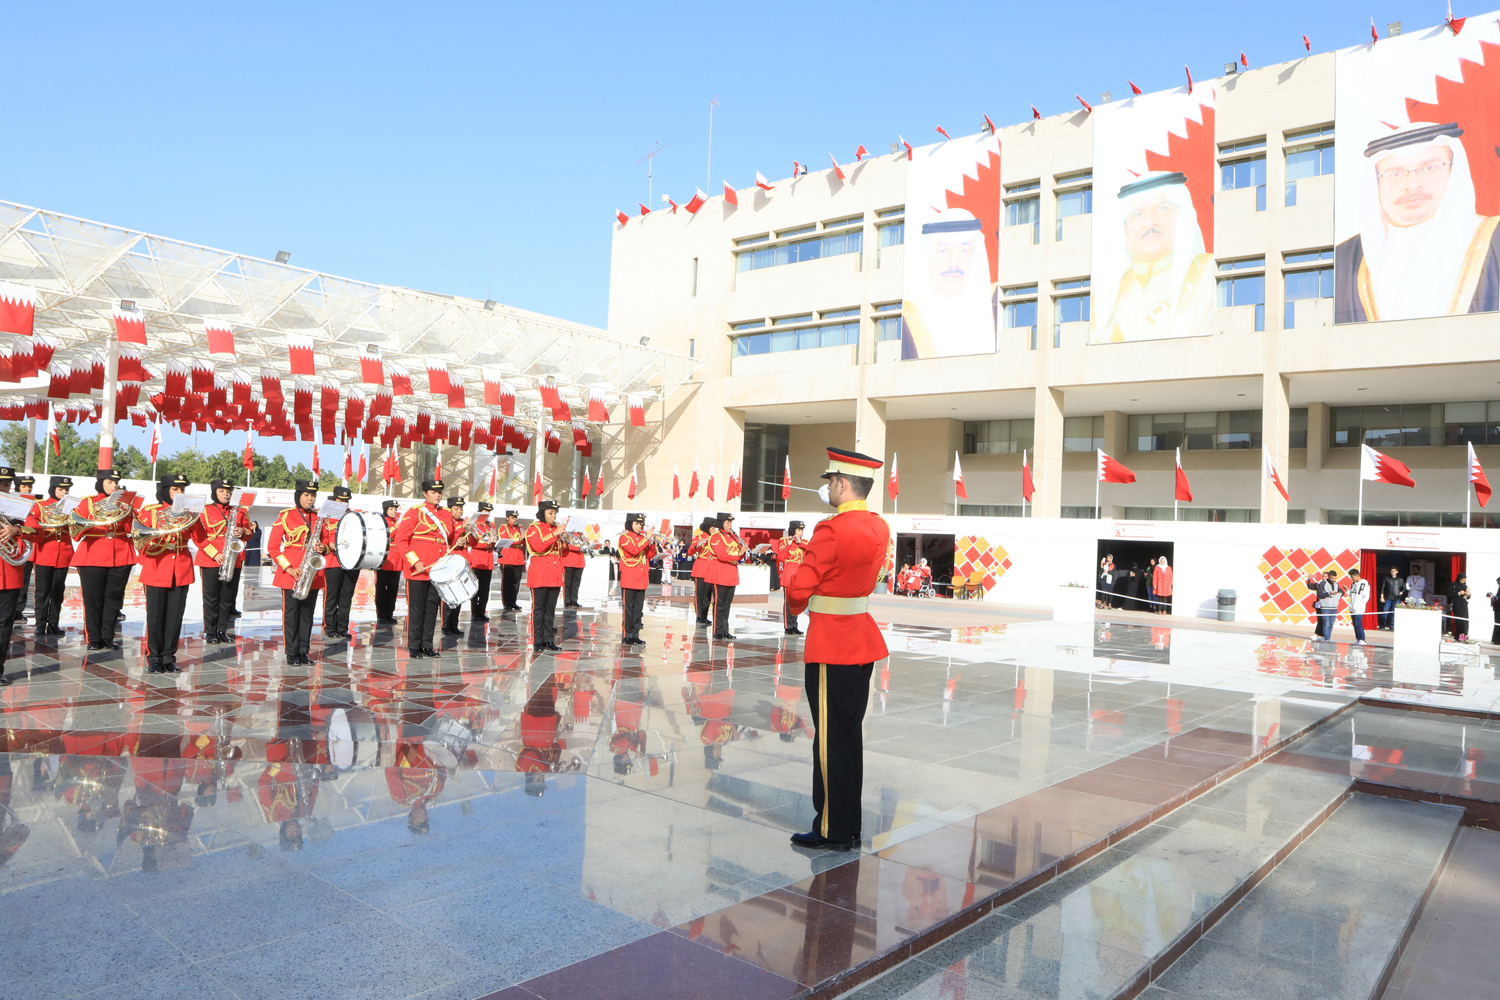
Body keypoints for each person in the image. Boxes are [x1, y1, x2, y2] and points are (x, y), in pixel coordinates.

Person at [786, 447, 891, 851]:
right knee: (849, 734)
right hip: (860, 638)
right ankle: (849, 824)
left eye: (830, 481)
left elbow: (799, 588)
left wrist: (792, 571)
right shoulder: (878, 527)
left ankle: (831, 827)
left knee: (830, 739)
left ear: (842, 484)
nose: (827, 487)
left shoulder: (830, 530)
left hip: (831, 643)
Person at [1335, 122, 1500, 324]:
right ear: (1376, 184)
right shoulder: (1343, 260)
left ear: (1454, 171)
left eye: (1429, 168)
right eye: (1395, 174)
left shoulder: (1496, 239)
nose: (1412, 185)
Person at [1099, 172, 1215, 343]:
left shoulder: (1210, 272)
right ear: (1125, 229)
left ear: (1182, 217)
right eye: (1138, 214)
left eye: (1163, 209)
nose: (1150, 222)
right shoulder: (1106, 290)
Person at [900, 208, 996, 360]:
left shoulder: (993, 308)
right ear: (928, 255)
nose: (954, 262)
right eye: (943, 251)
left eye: (964, 250)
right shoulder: (907, 316)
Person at [135, 475, 206, 674]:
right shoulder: (151, 512)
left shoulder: (188, 513)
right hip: (157, 565)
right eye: (176, 489)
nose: (180, 493)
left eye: (182, 490)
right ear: (165, 490)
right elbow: (140, 538)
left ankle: (169, 657)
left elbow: (200, 538)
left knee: (175, 617)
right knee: (156, 617)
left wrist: (197, 520)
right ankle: (154, 658)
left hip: (181, 568)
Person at [267, 481, 332, 666]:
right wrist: (288, 568)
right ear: (298, 496)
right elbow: (273, 547)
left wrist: (324, 547)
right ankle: (291, 653)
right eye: (306, 495)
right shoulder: (286, 516)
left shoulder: (319, 517)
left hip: (312, 572)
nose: (310, 499)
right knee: (291, 613)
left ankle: (304, 651)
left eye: (313, 495)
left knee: (307, 614)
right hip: (292, 572)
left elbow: (327, 540)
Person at [74, 468, 138, 651]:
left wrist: (129, 509)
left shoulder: (125, 502)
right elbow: (77, 525)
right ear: (101, 483)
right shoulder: (88, 502)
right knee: (93, 599)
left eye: (116, 482)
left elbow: (130, 527)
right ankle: (93, 638)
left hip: (121, 553)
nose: (114, 485)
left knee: (114, 599)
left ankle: (108, 637)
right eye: (110, 482)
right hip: (93, 553)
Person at [392, 478, 456, 659]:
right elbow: (401, 540)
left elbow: (448, 540)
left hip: (437, 570)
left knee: (432, 609)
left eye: (439, 492)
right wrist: (415, 561)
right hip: (418, 569)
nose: (437, 495)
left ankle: (427, 644)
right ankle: (414, 645)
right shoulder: (414, 513)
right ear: (424, 493)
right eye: (433, 492)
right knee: (417, 609)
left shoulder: (446, 514)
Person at [196, 479, 255, 644]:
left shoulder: (240, 511)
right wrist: (214, 554)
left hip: (233, 558)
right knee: (211, 597)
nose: (226, 494)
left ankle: (222, 630)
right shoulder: (205, 510)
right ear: (215, 492)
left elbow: (250, 532)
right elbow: (198, 537)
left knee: (227, 597)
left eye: (228, 491)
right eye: (222, 491)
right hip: (211, 559)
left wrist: (243, 531)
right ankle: (210, 631)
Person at [25, 476, 73, 639]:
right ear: (53, 489)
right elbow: (31, 522)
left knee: (58, 590)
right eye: (60, 489)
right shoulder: (41, 505)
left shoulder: (71, 507)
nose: (64, 492)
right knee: (42, 591)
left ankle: (54, 622)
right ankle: (40, 623)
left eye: (66, 490)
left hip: (63, 552)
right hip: (45, 551)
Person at [525, 500, 570, 653]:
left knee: (550, 610)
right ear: (542, 513)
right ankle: (537, 640)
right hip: (540, 574)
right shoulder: (534, 528)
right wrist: (555, 534)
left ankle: (548, 639)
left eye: (555, 513)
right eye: (550, 513)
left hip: (555, 574)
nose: (553, 516)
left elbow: (563, 553)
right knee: (539, 610)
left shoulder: (554, 529)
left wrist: (564, 541)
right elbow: (538, 547)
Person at [318, 485, 358, 640]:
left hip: (351, 561)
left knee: (346, 596)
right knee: (331, 596)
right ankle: (329, 627)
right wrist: (329, 544)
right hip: (333, 559)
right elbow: (320, 536)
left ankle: (342, 627)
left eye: (346, 501)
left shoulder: (352, 516)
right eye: (341, 500)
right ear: (334, 499)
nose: (344, 503)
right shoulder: (325, 516)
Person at [617, 512, 656, 646]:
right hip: (629, 576)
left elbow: (651, 554)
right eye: (637, 523)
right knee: (629, 608)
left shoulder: (642, 538)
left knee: (638, 609)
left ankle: (635, 634)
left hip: (641, 577)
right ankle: (627, 634)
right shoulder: (624, 537)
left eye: (641, 524)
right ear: (630, 524)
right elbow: (633, 551)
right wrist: (646, 539)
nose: (640, 526)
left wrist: (652, 542)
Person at [706, 512, 745, 641]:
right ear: (721, 523)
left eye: (730, 523)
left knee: (727, 604)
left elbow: (739, 555)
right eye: (727, 522)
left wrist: (743, 550)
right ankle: (717, 631)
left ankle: (725, 629)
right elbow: (722, 555)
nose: (729, 525)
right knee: (719, 604)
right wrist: (738, 554)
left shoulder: (733, 536)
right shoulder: (716, 537)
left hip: (731, 574)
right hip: (720, 573)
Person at [0, 511, 26, 684]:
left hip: (9, 573)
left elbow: (38, 532)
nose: (4, 490)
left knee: (3, 624)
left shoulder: (17, 507)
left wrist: (17, 529)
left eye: (7, 486)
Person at [440, 496, 468, 636]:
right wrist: (461, 531)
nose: (459, 511)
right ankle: (445, 625)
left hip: (461, 561)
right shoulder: (446, 522)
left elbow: (473, 542)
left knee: (459, 595)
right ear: (450, 509)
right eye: (456, 509)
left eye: (461, 509)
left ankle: (454, 624)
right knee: (448, 594)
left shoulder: (464, 523)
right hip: (450, 560)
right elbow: (447, 539)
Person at [774, 521, 808, 635]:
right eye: (798, 530)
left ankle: (795, 625)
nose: (801, 532)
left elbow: (810, 554)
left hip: (800, 574)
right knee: (788, 602)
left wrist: (801, 544)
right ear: (793, 531)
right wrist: (789, 544)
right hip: (789, 574)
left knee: (796, 601)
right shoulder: (785, 541)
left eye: (802, 530)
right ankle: (788, 626)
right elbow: (782, 557)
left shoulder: (805, 543)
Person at [466, 501, 497, 622]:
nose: (487, 514)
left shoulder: (490, 525)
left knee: (485, 589)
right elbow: (472, 542)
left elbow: (492, 539)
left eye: (488, 512)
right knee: (475, 588)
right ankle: (474, 612)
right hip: (478, 559)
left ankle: (482, 611)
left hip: (488, 560)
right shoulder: (473, 524)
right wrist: (486, 543)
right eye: (485, 511)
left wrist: (495, 541)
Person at [374, 500, 403, 624]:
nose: (394, 511)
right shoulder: (381, 521)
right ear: (385, 509)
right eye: (391, 509)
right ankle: (381, 614)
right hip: (385, 559)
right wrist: (395, 527)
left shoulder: (398, 522)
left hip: (397, 560)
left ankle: (389, 614)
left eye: (395, 509)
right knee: (381, 589)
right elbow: (384, 538)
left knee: (393, 589)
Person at [12, 472, 32, 623]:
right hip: (11, 546)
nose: (27, 489)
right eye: (24, 486)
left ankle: (19, 610)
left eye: (29, 486)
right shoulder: (10, 499)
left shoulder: (34, 502)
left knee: (24, 581)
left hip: (25, 547)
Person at [496, 509, 526, 612]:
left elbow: (524, 541)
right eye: (512, 517)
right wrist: (519, 540)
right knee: (507, 582)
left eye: (515, 517)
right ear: (507, 518)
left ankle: (513, 601)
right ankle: (507, 603)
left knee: (516, 582)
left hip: (518, 557)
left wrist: (525, 538)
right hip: (508, 557)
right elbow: (505, 540)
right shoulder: (504, 527)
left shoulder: (520, 527)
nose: (514, 519)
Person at [690, 516, 716, 625]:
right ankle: (699, 616)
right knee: (700, 595)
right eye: (713, 527)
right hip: (701, 568)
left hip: (712, 569)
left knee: (708, 595)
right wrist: (698, 545)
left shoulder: (716, 538)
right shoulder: (699, 537)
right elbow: (690, 552)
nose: (715, 529)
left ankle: (705, 616)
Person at [561, 521, 586, 609]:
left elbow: (585, 544)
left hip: (580, 561)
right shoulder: (567, 533)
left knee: (576, 583)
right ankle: (567, 601)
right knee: (568, 583)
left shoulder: (581, 534)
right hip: (569, 559)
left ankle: (574, 600)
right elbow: (569, 546)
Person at [1312, 569, 1341, 641]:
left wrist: (1339, 594)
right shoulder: (1323, 583)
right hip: (1325, 607)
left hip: (1334, 607)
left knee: (1331, 625)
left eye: (1335, 578)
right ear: (1329, 577)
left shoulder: (1336, 584)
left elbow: (1340, 592)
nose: (1333, 580)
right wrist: (1329, 593)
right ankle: (1326, 639)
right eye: (1332, 578)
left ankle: (1327, 638)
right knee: (1326, 624)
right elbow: (1319, 594)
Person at [1347, 569, 1370, 645]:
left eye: (1353, 577)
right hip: (1352, 606)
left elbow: (1366, 597)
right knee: (1355, 623)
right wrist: (1347, 591)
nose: (1352, 579)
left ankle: (1362, 639)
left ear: (1357, 576)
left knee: (1358, 623)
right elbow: (1351, 594)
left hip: (1359, 608)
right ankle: (1358, 638)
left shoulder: (1365, 584)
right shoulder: (1353, 584)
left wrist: (1359, 605)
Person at [1447, 574, 1471, 640]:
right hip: (1456, 604)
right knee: (1459, 621)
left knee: (1465, 620)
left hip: (1464, 604)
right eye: (1462, 580)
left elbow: (1467, 597)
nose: (1463, 581)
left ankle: (1464, 636)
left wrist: (1468, 595)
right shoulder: (1453, 585)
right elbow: (1449, 594)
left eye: (1464, 580)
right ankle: (1458, 636)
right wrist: (1458, 593)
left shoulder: (1465, 586)